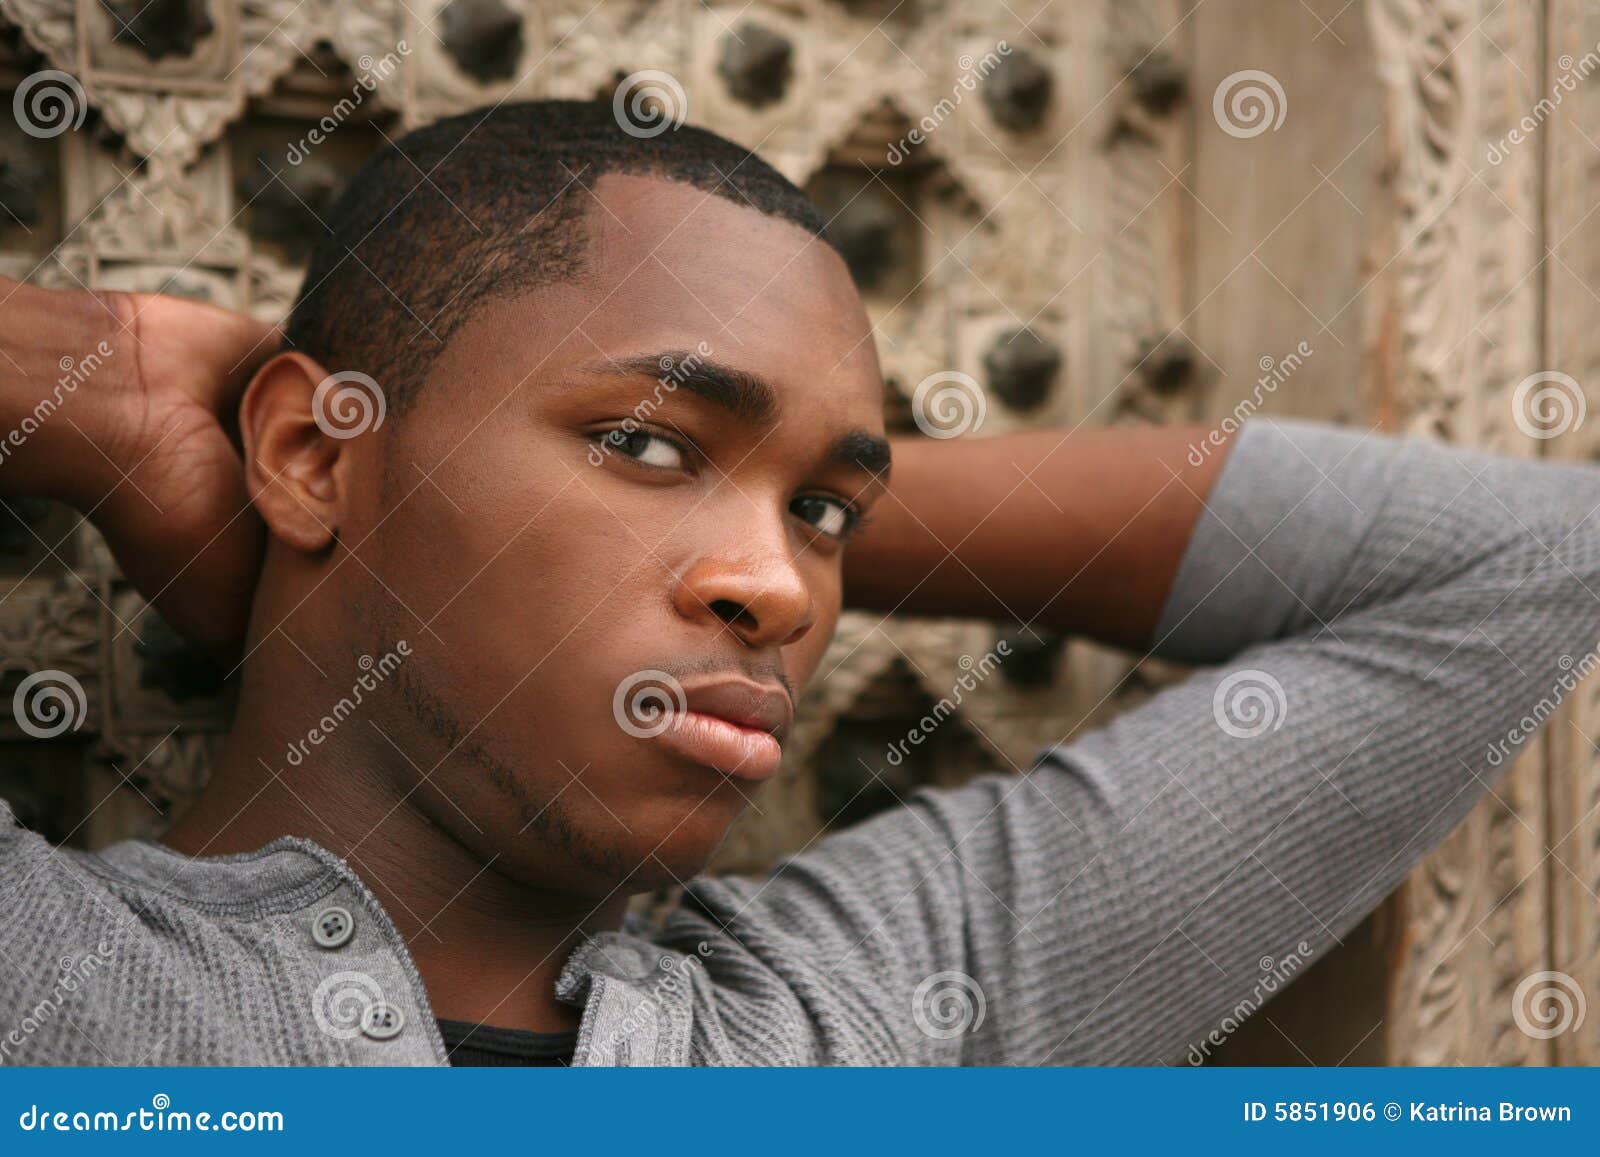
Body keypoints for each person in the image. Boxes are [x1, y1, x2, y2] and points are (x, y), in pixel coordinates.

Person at [0, 100, 1594, 1066]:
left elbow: (1519, 564)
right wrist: (97, 390)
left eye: (826, 515)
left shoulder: (877, 1022)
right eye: (641, 436)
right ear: (309, 452)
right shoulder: (49, 980)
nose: (781, 588)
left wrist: (808, 498)